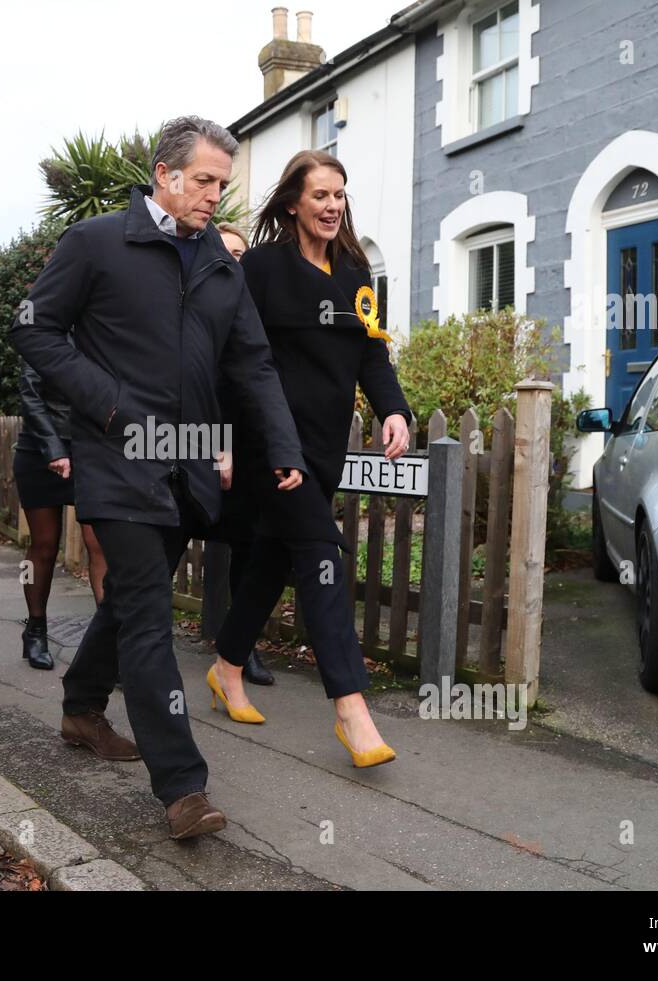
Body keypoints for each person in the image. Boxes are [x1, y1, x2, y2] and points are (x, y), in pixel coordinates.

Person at [13, 116, 307, 840]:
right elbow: (34, 329)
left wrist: (283, 444)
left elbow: (253, 362)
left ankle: (82, 706)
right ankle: (182, 787)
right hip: (116, 462)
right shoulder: (96, 243)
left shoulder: (217, 261)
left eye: (222, 185)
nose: (214, 197)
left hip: (188, 466)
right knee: (148, 616)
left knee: (130, 602)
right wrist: (107, 404)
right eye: (204, 181)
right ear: (164, 174)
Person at [212, 149, 412, 768]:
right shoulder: (263, 270)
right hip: (273, 445)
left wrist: (394, 410)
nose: (332, 206)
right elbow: (231, 356)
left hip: (323, 445)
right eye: (321, 195)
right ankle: (351, 710)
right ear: (294, 202)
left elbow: (372, 354)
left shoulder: (355, 271)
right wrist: (221, 438)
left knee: (273, 561)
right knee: (321, 556)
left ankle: (224, 666)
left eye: (339, 195)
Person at [206, 222, 275, 686]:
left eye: (242, 254)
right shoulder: (199, 309)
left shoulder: (253, 310)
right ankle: (133, 646)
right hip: (202, 444)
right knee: (167, 545)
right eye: (228, 252)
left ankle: (239, 648)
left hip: (249, 449)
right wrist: (216, 444)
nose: (236, 261)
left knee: (248, 547)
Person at [14, 355, 107, 669]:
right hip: (39, 446)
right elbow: (30, 393)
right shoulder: (44, 323)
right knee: (43, 544)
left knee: (100, 545)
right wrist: (53, 448)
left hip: (90, 447)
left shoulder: (102, 324)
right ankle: (35, 629)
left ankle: (109, 646)